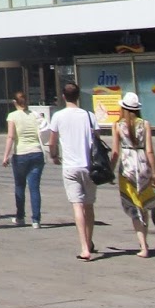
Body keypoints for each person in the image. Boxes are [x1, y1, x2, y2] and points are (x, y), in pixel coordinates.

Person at [43, 80, 99, 261]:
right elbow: (97, 140)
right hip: (89, 166)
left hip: (70, 166)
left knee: (77, 205)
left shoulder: (58, 116)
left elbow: (52, 141)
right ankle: (89, 241)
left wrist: (54, 156)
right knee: (89, 206)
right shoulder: (89, 116)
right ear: (78, 96)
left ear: (63, 96)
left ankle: (84, 248)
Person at [110, 92, 155, 257]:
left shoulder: (117, 125)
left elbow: (115, 152)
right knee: (143, 205)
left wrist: (110, 170)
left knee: (133, 207)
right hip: (143, 164)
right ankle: (145, 242)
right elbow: (150, 150)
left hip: (127, 168)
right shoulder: (145, 124)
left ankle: (143, 245)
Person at [1, 92, 45, 228]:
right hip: (37, 152)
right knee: (34, 188)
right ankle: (36, 220)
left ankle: (20, 216)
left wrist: (6, 155)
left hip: (21, 154)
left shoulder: (12, 116)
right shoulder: (35, 114)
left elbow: (11, 137)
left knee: (20, 186)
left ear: (15, 102)